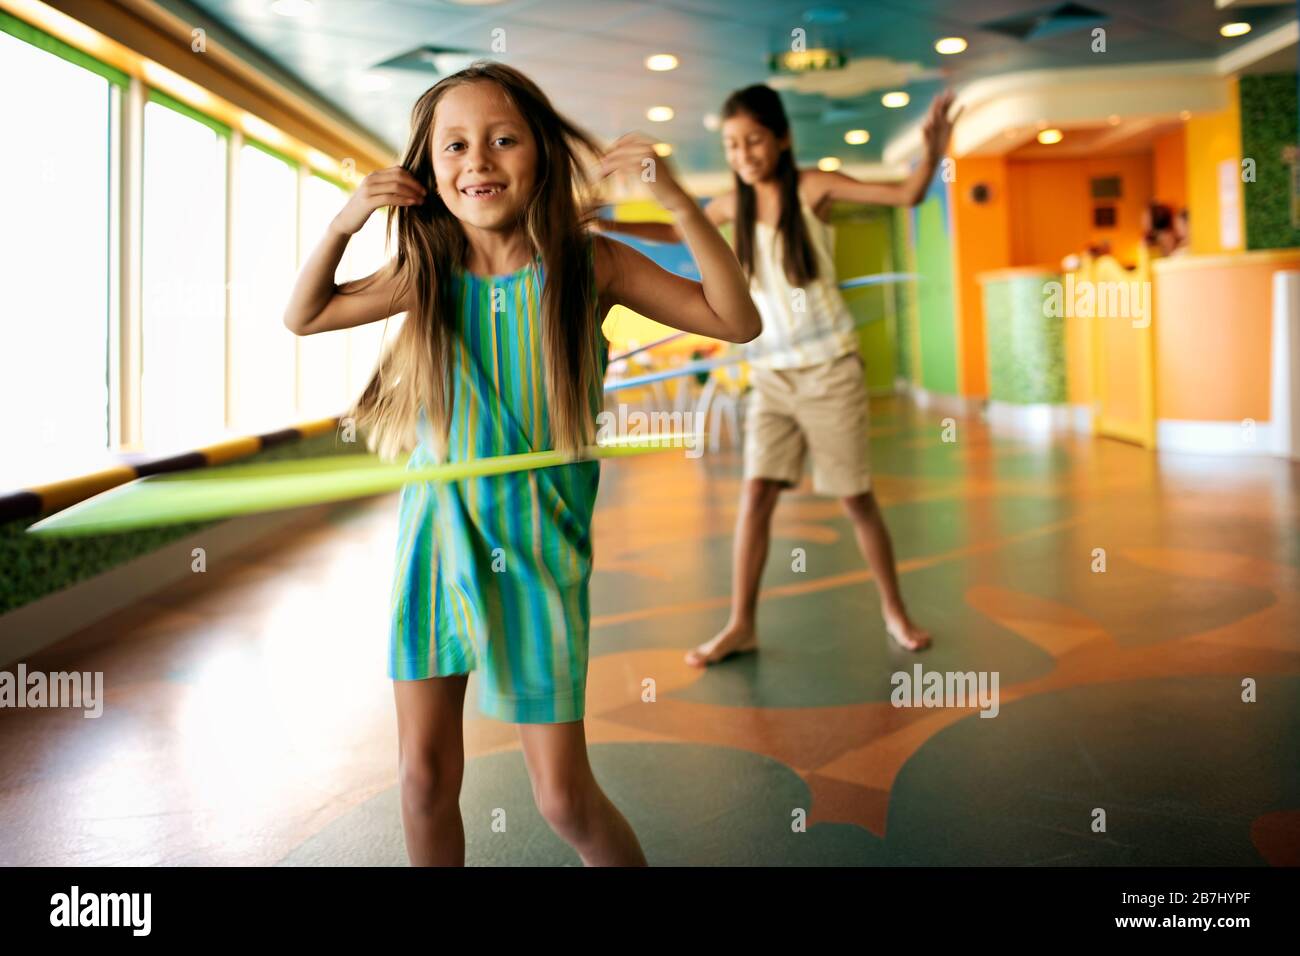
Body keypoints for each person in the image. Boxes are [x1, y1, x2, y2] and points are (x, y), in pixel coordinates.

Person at [281, 61, 760, 865]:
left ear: (539, 152)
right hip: (436, 539)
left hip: (538, 545)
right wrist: (344, 222)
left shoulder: (588, 263)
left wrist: (676, 204)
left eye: (504, 140)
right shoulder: (427, 271)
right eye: (456, 146)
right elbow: (306, 314)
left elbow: (735, 319)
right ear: (429, 173)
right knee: (423, 778)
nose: (479, 161)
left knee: (563, 798)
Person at [597, 84, 959, 664]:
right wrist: (610, 226)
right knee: (756, 495)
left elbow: (908, 193)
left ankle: (895, 610)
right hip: (770, 373)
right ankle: (741, 624)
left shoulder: (812, 186)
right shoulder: (728, 206)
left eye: (754, 141)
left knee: (855, 498)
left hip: (828, 369)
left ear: (782, 138)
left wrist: (935, 145)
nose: (743, 155)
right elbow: (677, 230)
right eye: (733, 145)